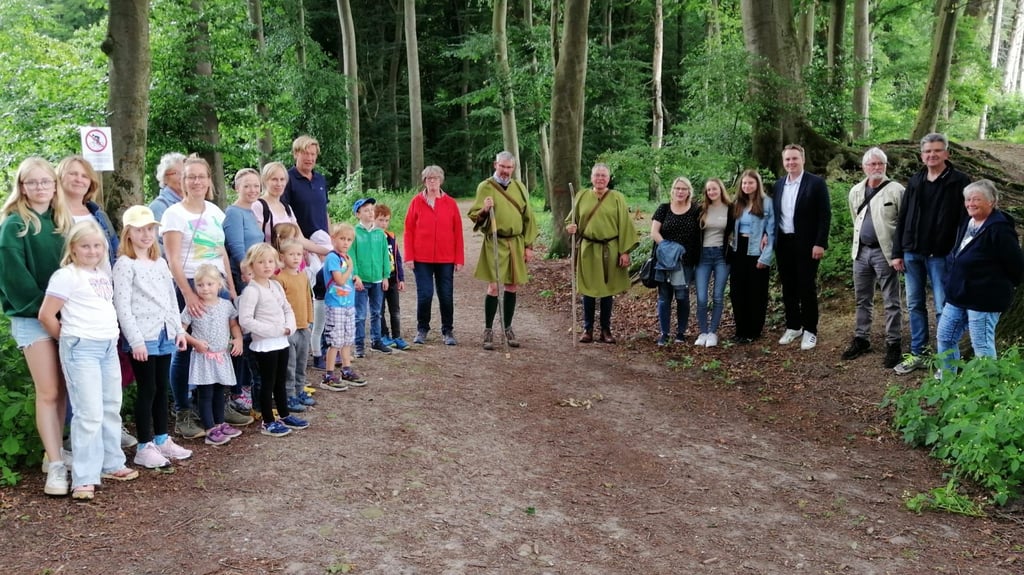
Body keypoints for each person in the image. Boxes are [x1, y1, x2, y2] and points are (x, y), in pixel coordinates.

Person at [38, 221, 139, 501]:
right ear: (73, 248)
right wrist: (69, 339)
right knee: (88, 412)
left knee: (110, 406)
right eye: (85, 246)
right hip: (81, 347)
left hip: (107, 346)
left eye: (97, 245)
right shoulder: (66, 276)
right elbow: (46, 315)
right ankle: (84, 477)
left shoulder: (101, 273)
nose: (92, 250)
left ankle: (112, 463)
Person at [0, 157, 72, 496]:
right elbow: (17, 283)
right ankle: (56, 469)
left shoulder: (62, 220)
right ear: (22, 187)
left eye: (46, 181)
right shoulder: (14, 226)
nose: (41, 187)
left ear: (54, 185)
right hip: (33, 318)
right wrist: (48, 314)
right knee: (48, 392)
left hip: (66, 316)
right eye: (33, 182)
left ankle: (52, 452)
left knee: (63, 391)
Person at [160, 155, 243, 439]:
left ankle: (217, 405)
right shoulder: (174, 214)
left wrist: (230, 288)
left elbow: (221, 253)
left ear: (209, 181)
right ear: (182, 181)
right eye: (190, 176)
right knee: (185, 348)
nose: (196, 181)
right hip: (189, 287)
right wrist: (188, 294)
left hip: (216, 285)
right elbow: (171, 258)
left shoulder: (215, 212)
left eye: (201, 176)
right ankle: (184, 410)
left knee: (218, 345)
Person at [112, 206, 193, 469]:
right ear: (128, 233)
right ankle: (144, 445)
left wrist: (179, 330)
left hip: (165, 332)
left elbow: (171, 299)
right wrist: (134, 340)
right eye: (139, 229)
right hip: (142, 336)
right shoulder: (125, 264)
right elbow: (122, 305)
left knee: (162, 388)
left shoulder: (160, 263)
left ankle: (162, 438)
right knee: (148, 389)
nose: (146, 234)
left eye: (150, 228)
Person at [891, 133, 971, 375]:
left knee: (942, 307)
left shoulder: (959, 181)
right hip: (912, 252)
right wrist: (898, 251)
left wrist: (956, 252)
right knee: (915, 305)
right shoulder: (915, 180)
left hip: (941, 255)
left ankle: (946, 360)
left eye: (937, 150)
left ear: (946, 153)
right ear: (921, 155)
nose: (931, 155)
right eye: (927, 151)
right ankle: (918, 353)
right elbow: (903, 217)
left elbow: (964, 221)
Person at [936, 180, 1024, 377]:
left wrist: (993, 282)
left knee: (982, 345)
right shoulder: (968, 221)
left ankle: (987, 388)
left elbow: (1016, 265)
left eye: (976, 199)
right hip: (958, 294)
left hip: (984, 299)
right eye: (968, 199)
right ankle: (947, 378)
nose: (970, 203)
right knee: (945, 336)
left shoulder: (1000, 229)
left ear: (992, 201)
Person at [842, 148, 906, 368]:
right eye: (872, 164)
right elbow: (855, 219)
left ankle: (893, 343)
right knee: (862, 298)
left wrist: (898, 254)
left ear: (886, 166)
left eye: (881, 164)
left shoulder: (896, 190)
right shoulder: (856, 191)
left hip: (886, 253)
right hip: (861, 252)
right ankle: (861, 338)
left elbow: (904, 224)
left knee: (891, 300)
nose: (877, 168)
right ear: (864, 167)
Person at [469, 152, 539, 349]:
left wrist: (528, 246)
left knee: (512, 286)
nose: (506, 171)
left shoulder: (519, 187)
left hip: (516, 242)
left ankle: (507, 327)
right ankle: (488, 330)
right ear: (495, 164)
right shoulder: (485, 187)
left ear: (513, 168)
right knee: (493, 287)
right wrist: (484, 209)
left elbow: (529, 217)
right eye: (502, 167)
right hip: (495, 242)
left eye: (509, 167)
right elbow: (475, 216)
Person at [237, 243, 308, 437]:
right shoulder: (251, 291)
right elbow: (246, 320)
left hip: (281, 341)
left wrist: (289, 327)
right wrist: (272, 330)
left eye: (270, 261)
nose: (267, 265)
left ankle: (284, 414)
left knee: (280, 379)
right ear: (251, 266)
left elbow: (286, 307)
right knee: (266, 383)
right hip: (264, 344)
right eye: (261, 262)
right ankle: (268, 421)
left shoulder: (275, 285)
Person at [565, 163, 638, 344]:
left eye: (603, 176)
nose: (600, 179)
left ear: (609, 178)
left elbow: (625, 225)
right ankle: (587, 329)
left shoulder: (617, 198)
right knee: (588, 290)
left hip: (610, 250)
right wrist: (571, 227)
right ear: (591, 177)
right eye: (597, 175)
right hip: (588, 249)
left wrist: (625, 251)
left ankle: (605, 330)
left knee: (607, 291)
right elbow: (570, 220)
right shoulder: (581, 196)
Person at [772, 144, 832, 351]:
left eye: (794, 159)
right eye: (787, 159)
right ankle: (793, 326)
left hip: (807, 244)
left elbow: (825, 216)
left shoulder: (816, 183)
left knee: (806, 287)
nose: (791, 162)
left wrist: (820, 243)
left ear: (803, 160)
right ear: (783, 161)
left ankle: (810, 330)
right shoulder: (779, 185)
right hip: (784, 243)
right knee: (788, 287)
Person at [181, 264, 244, 446]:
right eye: (200, 285)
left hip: (222, 356)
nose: (205, 288)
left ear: (219, 285)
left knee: (220, 391)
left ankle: (220, 422)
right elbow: (181, 329)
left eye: (209, 284)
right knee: (205, 393)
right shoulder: (193, 307)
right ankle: (209, 429)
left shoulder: (226, 306)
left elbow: (233, 325)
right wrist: (195, 343)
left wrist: (238, 339)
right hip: (204, 358)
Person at [404, 165, 464, 345]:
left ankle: (448, 330)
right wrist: (409, 256)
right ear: (424, 181)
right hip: (421, 258)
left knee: (446, 294)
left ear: (441, 181)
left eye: (435, 178)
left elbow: (458, 232)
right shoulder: (416, 202)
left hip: (446, 257)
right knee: (425, 294)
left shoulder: (450, 203)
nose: (432, 181)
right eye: (429, 178)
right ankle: (422, 329)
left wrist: (459, 258)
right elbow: (408, 230)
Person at [651, 177, 701, 346]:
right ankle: (664, 333)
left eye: (684, 189)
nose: (680, 192)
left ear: (689, 192)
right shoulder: (663, 209)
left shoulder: (696, 211)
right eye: (677, 188)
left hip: (685, 262)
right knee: (664, 297)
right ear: (673, 190)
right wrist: (669, 249)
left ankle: (681, 332)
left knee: (682, 297)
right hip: (664, 261)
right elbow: (654, 232)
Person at [728, 170, 775, 343]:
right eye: (744, 183)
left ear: (758, 184)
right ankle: (741, 330)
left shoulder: (766, 203)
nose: (747, 186)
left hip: (756, 250)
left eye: (751, 183)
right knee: (737, 291)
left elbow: (771, 232)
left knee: (756, 292)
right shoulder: (737, 203)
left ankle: (754, 331)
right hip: (738, 250)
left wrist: (765, 257)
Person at [320, 223, 365, 390]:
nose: (346, 243)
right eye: (342, 239)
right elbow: (339, 280)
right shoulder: (333, 257)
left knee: (347, 339)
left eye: (349, 240)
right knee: (335, 341)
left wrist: (356, 277)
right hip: (335, 305)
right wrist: (351, 269)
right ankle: (329, 374)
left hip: (348, 304)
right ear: (333, 239)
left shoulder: (346, 258)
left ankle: (346, 370)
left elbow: (347, 278)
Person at [56, 155, 119, 266]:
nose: (79, 179)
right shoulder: (51, 216)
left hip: (104, 281)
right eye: (73, 174)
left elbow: (116, 253)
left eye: (85, 176)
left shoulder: (100, 216)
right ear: (60, 177)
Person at [276, 238, 316, 411]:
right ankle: (289, 395)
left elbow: (308, 298)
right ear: (282, 256)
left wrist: (309, 320)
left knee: (302, 362)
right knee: (289, 365)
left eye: (299, 254)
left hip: (303, 327)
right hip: (289, 329)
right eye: (291, 254)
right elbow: (278, 305)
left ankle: (300, 391)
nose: (296, 258)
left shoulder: (303, 276)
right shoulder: (279, 278)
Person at [694, 178, 734, 347]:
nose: (711, 192)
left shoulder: (731, 209)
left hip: (721, 256)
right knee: (702, 297)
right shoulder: (701, 209)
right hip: (703, 256)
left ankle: (713, 332)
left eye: (714, 189)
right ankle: (703, 331)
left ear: (720, 189)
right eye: (709, 190)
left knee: (718, 296)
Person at [352, 197, 391, 357]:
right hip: (361, 280)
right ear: (358, 214)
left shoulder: (380, 234)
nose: (370, 213)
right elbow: (351, 255)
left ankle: (377, 341)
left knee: (377, 312)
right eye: (366, 210)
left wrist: (386, 276)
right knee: (360, 315)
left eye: (371, 210)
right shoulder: (354, 233)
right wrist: (355, 275)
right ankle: (359, 344)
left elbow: (384, 255)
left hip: (377, 280)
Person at [223, 168, 265, 291]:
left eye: (256, 186)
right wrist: (247, 271)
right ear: (237, 188)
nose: (253, 190)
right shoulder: (234, 213)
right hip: (244, 276)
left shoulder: (251, 212)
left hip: (258, 272)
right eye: (247, 186)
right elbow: (237, 248)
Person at [375, 204, 409, 350]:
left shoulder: (391, 237)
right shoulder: (372, 239)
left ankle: (397, 336)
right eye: (381, 220)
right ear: (374, 219)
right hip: (379, 280)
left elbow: (397, 259)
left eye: (386, 220)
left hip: (393, 278)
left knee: (395, 309)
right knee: (379, 310)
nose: (384, 224)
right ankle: (384, 335)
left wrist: (401, 279)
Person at [282, 135, 329, 239]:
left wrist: (330, 237)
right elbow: (284, 214)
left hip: (323, 241)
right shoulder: (286, 179)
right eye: (305, 153)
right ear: (295, 154)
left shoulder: (320, 179)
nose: (310, 158)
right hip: (299, 243)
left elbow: (325, 211)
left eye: (313, 154)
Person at [150, 152, 186, 227]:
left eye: (185, 173)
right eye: (177, 173)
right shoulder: (159, 207)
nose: (183, 177)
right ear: (164, 178)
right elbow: (154, 238)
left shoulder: (192, 203)